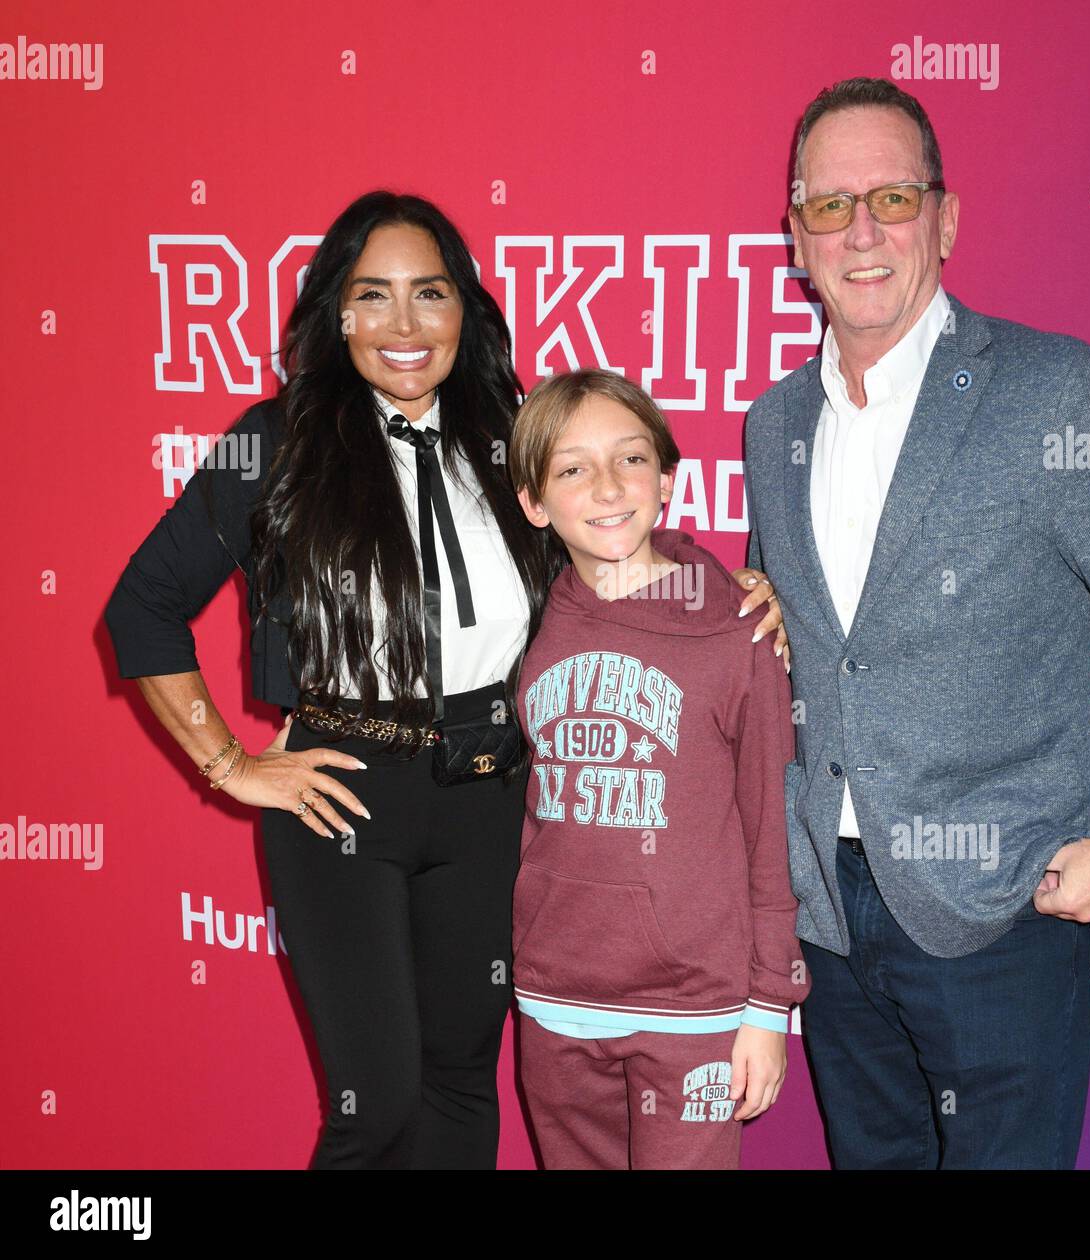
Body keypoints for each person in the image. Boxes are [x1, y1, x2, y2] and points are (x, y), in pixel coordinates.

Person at [104, 191, 787, 1170]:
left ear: (466, 309)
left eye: (429, 293)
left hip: (492, 795)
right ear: (336, 313)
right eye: (372, 296)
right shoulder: (277, 442)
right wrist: (227, 764)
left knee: (461, 1087)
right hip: (340, 795)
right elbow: (142, 608)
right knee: (374, 1104)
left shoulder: (509, 433)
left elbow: (614, 539)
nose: (403, 324)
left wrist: (731, 586)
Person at [742, 78, 1090, 1169]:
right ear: (793, 236)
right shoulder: (771, 423)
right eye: (829, 206)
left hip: (1001, 911)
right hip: (828, 911)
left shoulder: (1053, 392)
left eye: (894, 197)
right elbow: (786, 645)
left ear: (947, 220)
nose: (861, 232)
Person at [506, 368, 808, 1169]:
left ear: (668, 478)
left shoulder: (735, 629)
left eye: (631, 459)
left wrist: (769, 1003)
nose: (607, 487)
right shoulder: (529, 622)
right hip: (555, 1001)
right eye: (572, 469)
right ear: (535, 503)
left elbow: (770, 828)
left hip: (695, 1008)